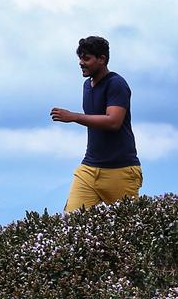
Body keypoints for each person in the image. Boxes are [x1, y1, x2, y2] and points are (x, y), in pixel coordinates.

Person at [50, 36, 143, 212]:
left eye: (86, 58)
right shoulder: (87, 85)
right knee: (70, 223)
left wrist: (74, 117)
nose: (80, 63)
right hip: (89, 168)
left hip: (121, 171)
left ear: (102, 59)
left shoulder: (117, 84)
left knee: (125, 230)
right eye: (80, 58)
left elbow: (113, 121)